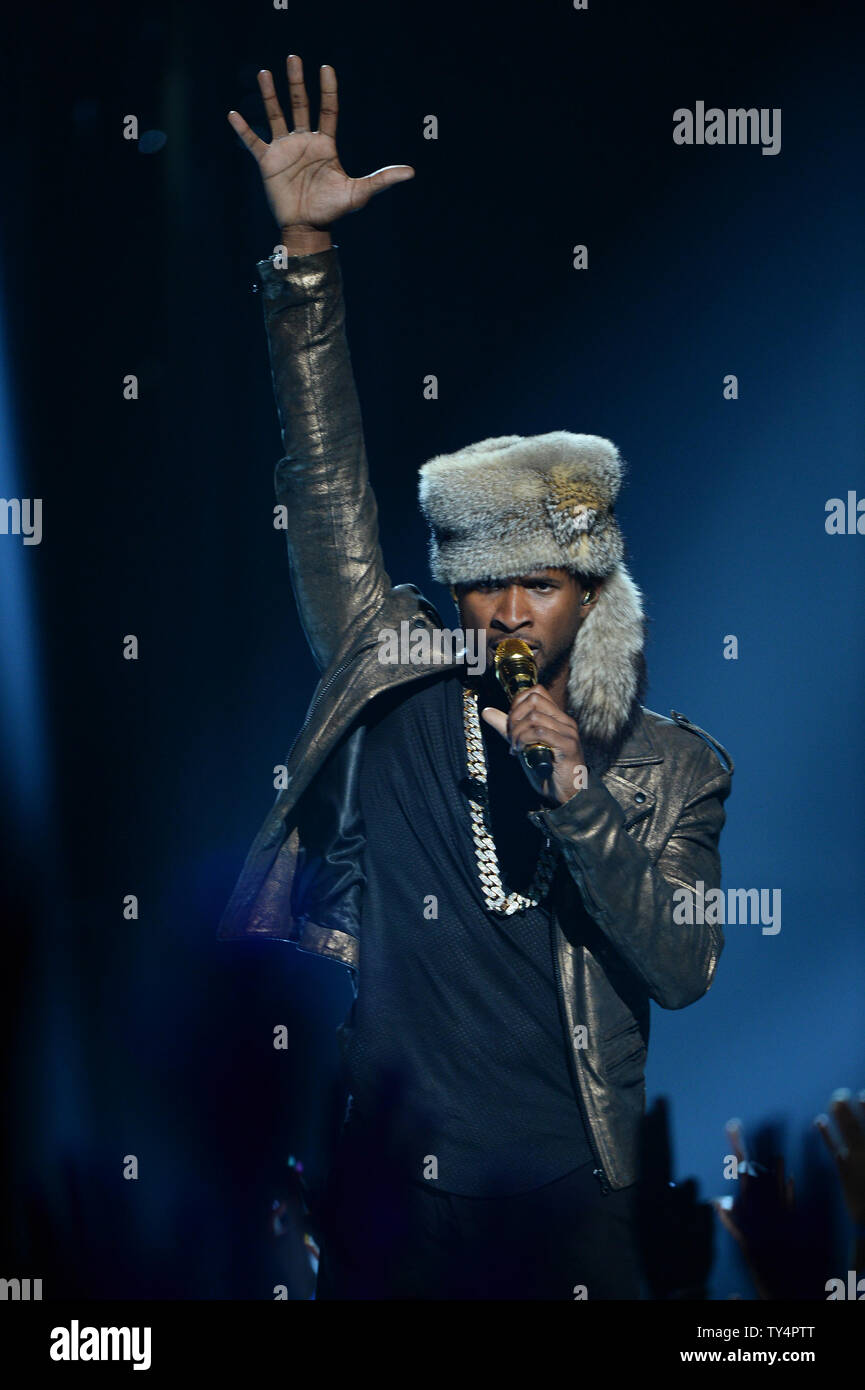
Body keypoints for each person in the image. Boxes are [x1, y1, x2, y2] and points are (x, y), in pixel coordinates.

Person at [220, 55, 734, 1300]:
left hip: (572, 1203)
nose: (507, 608)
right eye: (485, 580)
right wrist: (305, 267)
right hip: (398, 1198)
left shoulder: (674, 766)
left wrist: (577, 793)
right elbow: (325, 487)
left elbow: (683, 964)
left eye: (541, 582)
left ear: (591, 595)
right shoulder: (394, 674)